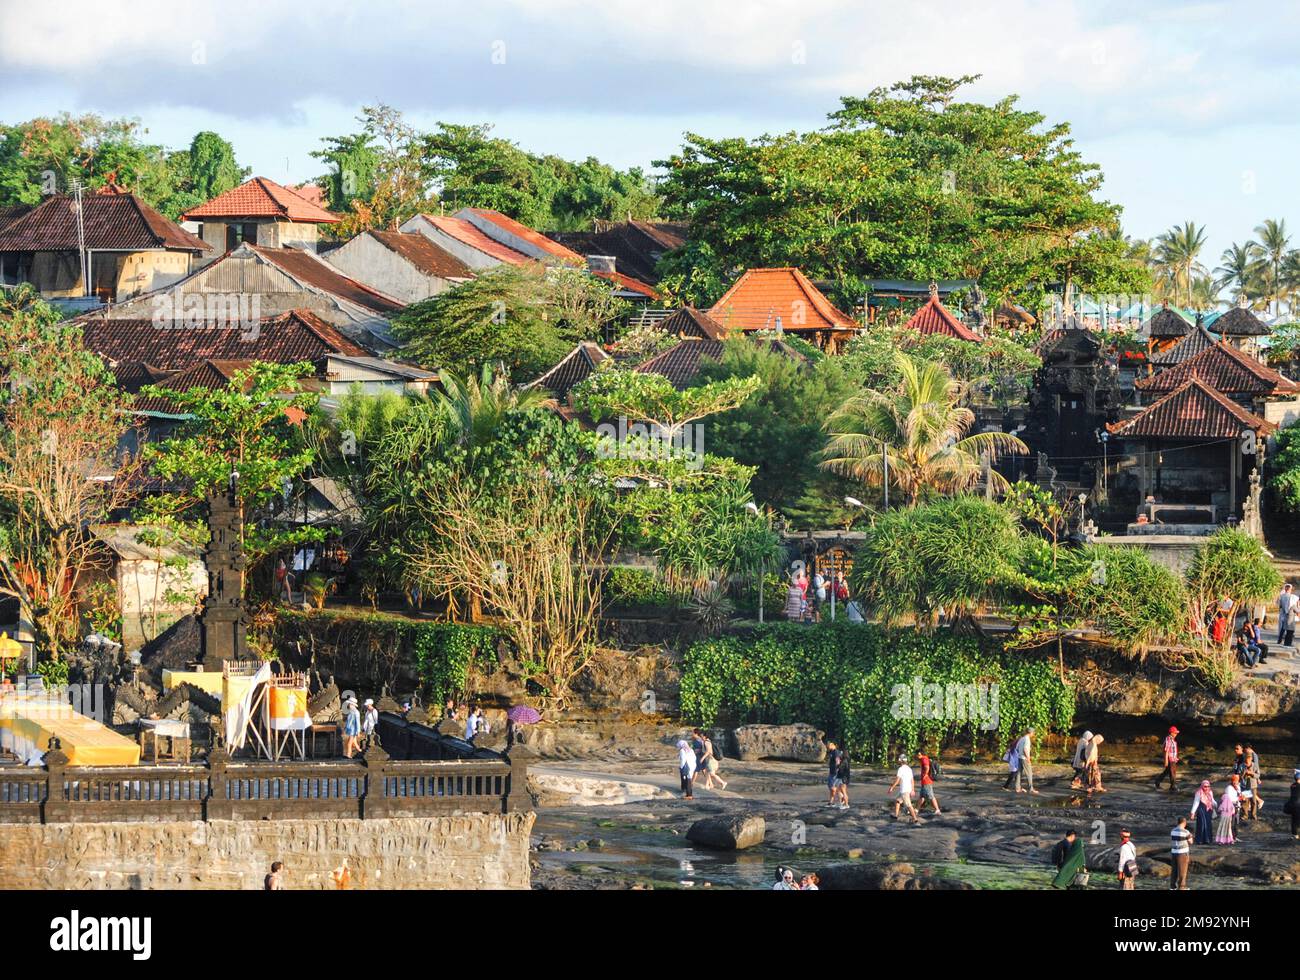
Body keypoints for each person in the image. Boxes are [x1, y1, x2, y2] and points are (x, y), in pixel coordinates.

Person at [890, 754, 921, 824]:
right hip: (907, 790)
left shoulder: (900, 769)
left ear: (900, 761)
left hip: (904, 791)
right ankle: (896, 815)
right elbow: (912, 780)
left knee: (908, 805)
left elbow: (897, 780)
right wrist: (912, 790)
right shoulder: (909, 769)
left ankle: (915, 819)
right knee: (898, 800)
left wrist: (892, 787)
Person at [1154, 725, 1180, 791]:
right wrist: (1166, 760)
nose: (1176, 734)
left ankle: (1158, 781)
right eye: (1175, 733)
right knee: (1172, 772)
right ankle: (1173, 785)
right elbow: (1166, 750)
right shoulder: (1168, 739)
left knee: (1167, 771)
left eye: (1176, 733)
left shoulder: (1172, 740)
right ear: (1171, 733)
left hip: (1173, 758)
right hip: (1170, 759)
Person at [1190, 781, 1217, 845]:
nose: (1207, 788)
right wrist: (1192, 812)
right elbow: (1196, 803)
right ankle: (1200, 840)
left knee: (1208, 825)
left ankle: (1208, 840)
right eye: (1205, 786)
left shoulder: (1210, 792)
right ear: (1202, 786)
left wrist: (1215, 804)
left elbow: (1212, 800)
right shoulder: (1199, 793)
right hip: (1201, 810)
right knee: (1202, 824)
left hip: (1208, 810)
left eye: (1208, 786)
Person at [1169, 817, 1192, 890]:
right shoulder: (1186, 832)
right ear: (1184, 822)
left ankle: (1173, 887)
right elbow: (1190, 842)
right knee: (1182, 871)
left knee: (1174, 870)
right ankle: (1182, 887)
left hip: (1174, 852)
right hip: (1183, 853)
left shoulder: (1172, 831)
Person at [916, 750, 941, 814]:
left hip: (927, 781)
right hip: (924, 782)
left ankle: (937, 809)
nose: (917, 756)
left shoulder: (924, 759)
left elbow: (927, 767)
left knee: (931, 796)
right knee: (921, 796)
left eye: (918, 754)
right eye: (917, 755)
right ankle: (916, 809)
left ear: (921, 754)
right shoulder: (924, 758)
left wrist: (925, 775)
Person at [1216, 779, 1239, 845]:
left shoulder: (1222, 804)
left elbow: (1219, 809)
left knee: (1222, 830)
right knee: (1229, 830)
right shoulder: (1231, 805)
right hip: (1229, 819)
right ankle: (1230, 840)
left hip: (1223, 820)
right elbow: (1233, 811)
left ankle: (1221, 840)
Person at [1015, 728, 1038, 794]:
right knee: (1029, 773)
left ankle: (1018, 788)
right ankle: (1031, 789)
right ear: (1030, 733)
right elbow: (1025, 749)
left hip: (1019, 758)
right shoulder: (1027, 739)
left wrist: (1020, 754)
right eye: (1033, 733)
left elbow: (1017, 748)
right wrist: (1028, 758)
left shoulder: (1022, 738)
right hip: (1024, 758)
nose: (1033, 734)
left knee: (1019, 773)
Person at [1242, 745, 1262, 820]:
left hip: (1253, 785)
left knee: (1253, 801)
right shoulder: (1243, 766)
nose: (1247, 763)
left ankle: (1253, 815)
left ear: (1251, 759)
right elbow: (1240, 776)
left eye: (1248, 761)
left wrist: (1252, 773)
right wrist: (1244, 773)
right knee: (1245, 801)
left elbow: (1258, 775)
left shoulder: (1255, 766)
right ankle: (1245, 815)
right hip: (1245, 785)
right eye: (1246, 761)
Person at [826, 739, 845, 806]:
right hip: (832, 772)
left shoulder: (836, 752)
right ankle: (831, 801)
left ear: (832, 744)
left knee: (833, 787)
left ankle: (841, 797)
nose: (827, 746)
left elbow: (838, 761)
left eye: (828, 745)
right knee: (830, 786)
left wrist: (837, 769)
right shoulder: (832, 752)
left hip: (835, 772)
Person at [1285, 769, 1300, 840]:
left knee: (1294, 820)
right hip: (1298, 805)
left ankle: (1294, 835)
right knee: (1297, 820)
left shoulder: (1292, 785)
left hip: (1292, 805)